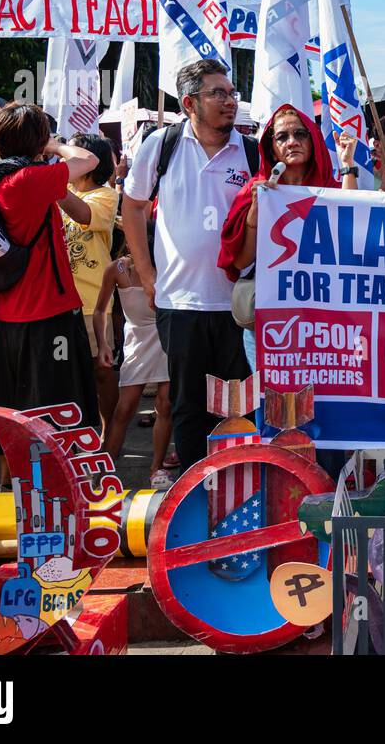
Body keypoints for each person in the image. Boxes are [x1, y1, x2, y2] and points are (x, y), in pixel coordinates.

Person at [122, 61, 257, 470]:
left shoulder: (252, 151)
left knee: (239, 410)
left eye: (231, 93)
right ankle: (195, 495)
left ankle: (240, 491)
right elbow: (131, 206)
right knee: (187, 406)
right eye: (217, 93)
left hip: (240, 307)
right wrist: (146, 275)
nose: (229, 101)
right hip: (180, 304)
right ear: (189, 103)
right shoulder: (161, 146)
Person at [217, 103, 357, 431]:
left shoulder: (330, 189)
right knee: (279, 413)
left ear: (313, 141)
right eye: (282, 136)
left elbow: (353, 222)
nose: (291, 141)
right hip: (272, 325)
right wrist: (255, 210)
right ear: (271, 146)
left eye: (299, 134)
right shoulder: (256, 191)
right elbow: (240, 262)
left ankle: (327, 481)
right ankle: (280, 480)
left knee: (325, 408)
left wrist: (348, 166)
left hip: (324, 325)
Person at [0, 104, 99, 489]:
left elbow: (81, 214)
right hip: (47, 314)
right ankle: (59, 488)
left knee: (12, 406)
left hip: (11, 315)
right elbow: (89, 158)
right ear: (36, 140)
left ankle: (7, 486)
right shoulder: (27, 180)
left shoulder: (3, 179)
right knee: (60, 408)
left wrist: (49, 172)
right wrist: (56, 146)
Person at [93, 228, 173, 489]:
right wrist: (104, 343)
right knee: (124, 409)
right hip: (136, 343)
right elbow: (99, 310)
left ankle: (156, 469)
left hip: (167, 340)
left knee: (166, 405)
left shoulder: (170, 268)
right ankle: (104, 471)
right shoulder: (116, 269)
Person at [61, 133, 119, 430]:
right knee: (67, 371)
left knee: (102, 370)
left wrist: (51, 183)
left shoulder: (105, 195)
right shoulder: (59, 189)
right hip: (58, 299)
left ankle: (109, 431)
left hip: (94, 299)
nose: (64, 160)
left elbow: (83, 215)